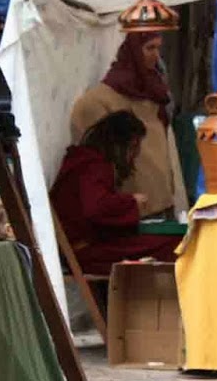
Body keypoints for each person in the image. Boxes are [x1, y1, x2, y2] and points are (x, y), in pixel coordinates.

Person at [50, 110, 179, 273]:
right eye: (133, 147)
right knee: (175, 244)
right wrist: (131, 201)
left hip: (89, 245)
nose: (135, 155)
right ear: (120, 145)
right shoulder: (92, 166)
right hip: (86, 253)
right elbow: (95, 208)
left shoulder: (89, 163)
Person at [70, 32, 181, 218]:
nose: (156, 55)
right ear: (133, 52)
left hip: (161, 201)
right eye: (149, 48)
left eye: (158, 48)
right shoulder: (98, 101)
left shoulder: (153, 90)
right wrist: (120, 203)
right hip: (130, 208)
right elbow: (94, 163)